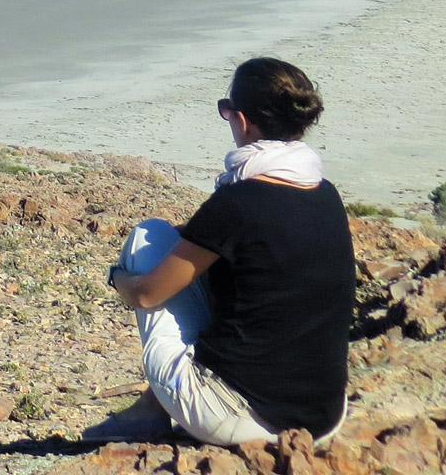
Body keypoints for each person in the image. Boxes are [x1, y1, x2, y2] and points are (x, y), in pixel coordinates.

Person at [84, 57, 356, 445]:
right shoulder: (324, 193)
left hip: (239, 417)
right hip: (325, 419)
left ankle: (151, 413)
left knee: (148, 237)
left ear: (242, 120)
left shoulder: (239, 202)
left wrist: (118, 278)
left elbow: (147, 293)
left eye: (226, 110)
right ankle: (149, 408)